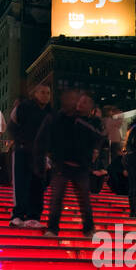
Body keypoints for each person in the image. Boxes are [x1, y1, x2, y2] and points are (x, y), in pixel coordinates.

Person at [43, 90, 97, 238]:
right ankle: (52, 229)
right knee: (57, 198)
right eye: (80, 100)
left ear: (91, 107)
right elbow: (53, 135)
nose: (80, 103)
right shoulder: (64, 116)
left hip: (81, 167)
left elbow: (95, 142)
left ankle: (89, 228)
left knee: (84, 200)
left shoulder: (90, 123)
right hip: (62, 164)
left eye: (84, 102)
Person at [10, 82, 51, 227]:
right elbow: (12, 124)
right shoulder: (23, 107)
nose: (45, 95)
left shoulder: (50, 112)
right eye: (42, 92)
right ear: (35, 93)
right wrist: (20, 141)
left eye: (48, 93)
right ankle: (18, 215)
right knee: (21, 183)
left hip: (40, 154)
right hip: (23, 150)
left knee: (37, 185)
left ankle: (34, 216)